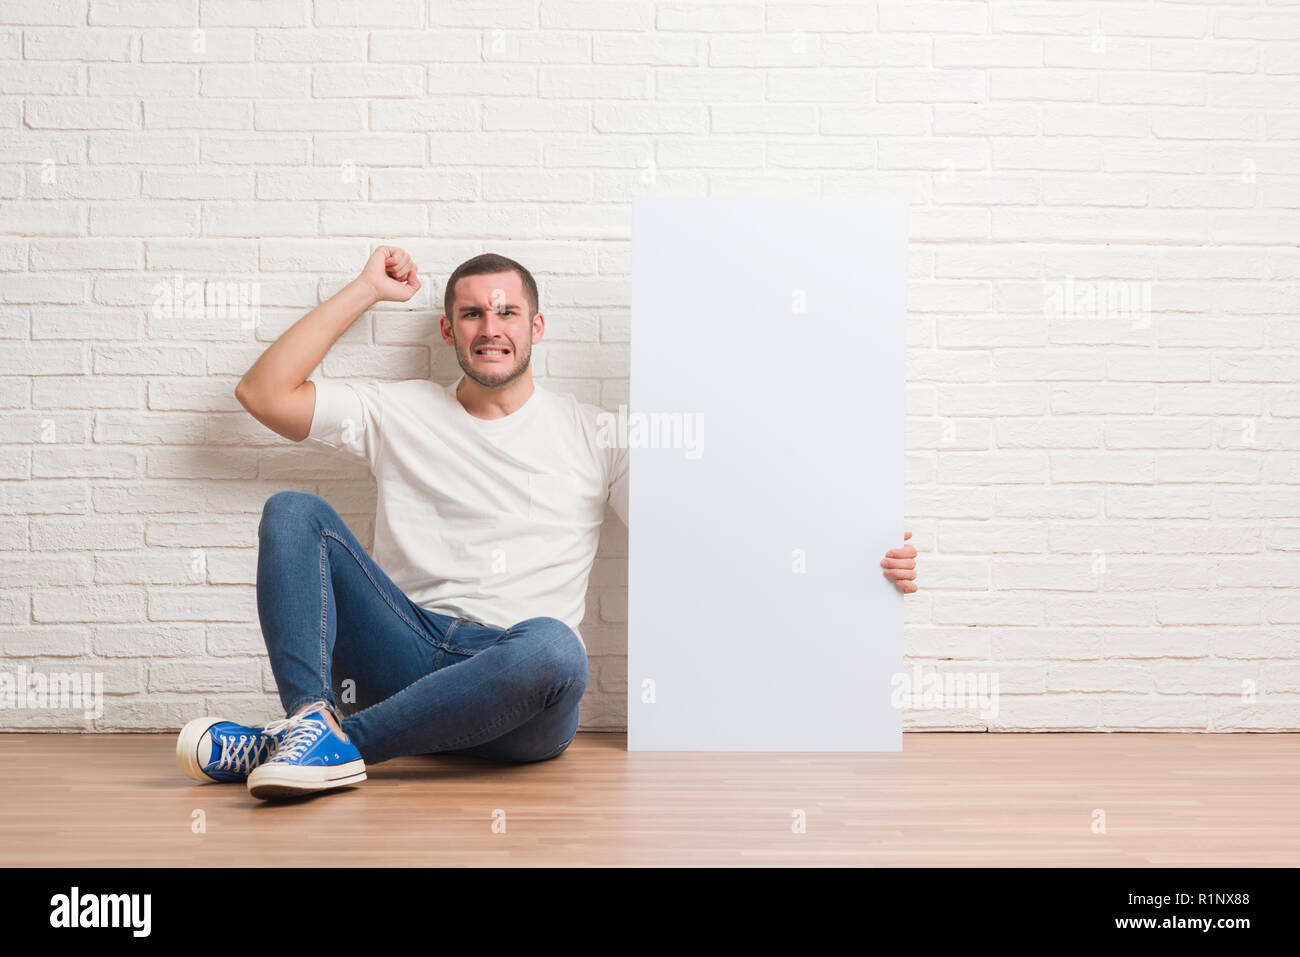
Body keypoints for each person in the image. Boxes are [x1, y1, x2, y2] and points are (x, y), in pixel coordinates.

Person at [174, 247, 921, 801]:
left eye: (505, 312)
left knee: (555, 646)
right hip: (404, 653)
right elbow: (263, 392)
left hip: (519, 692)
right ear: (447, 329)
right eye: (472, 312)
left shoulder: (595, 433)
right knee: (293, 511)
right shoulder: (398, 410)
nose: (489, 326)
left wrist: (852, 556)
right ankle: (309, 722)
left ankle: (312, 746)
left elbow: (707, 540)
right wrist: (367, 289)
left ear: (536, 326)